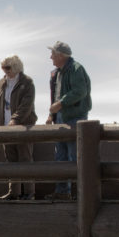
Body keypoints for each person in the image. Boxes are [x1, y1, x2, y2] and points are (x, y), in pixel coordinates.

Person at [45, 41, 92, 200]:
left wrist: (60, 104)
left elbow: (80, 91)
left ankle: (81, 194)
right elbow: (56, 96)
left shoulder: (76, 69)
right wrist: (51, 115)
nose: (50, 57)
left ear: (60, 55)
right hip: (60, 117)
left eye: (53, 54)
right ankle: (62, 192)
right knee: (60, 156)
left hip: (75, 117)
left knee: (74, 156)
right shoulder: (57, 73)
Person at [0, 55, 38, 200]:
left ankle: (29, 192)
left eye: (8, 67)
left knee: (25, 158)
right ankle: (14, 191)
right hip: (6, 126)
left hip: (23, 126)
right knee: (10, 159)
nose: (5, 70)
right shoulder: (2, 82)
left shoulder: (27, 82)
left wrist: (16, 119)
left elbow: (27, 104)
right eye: (3, 67)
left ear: (16, 67)